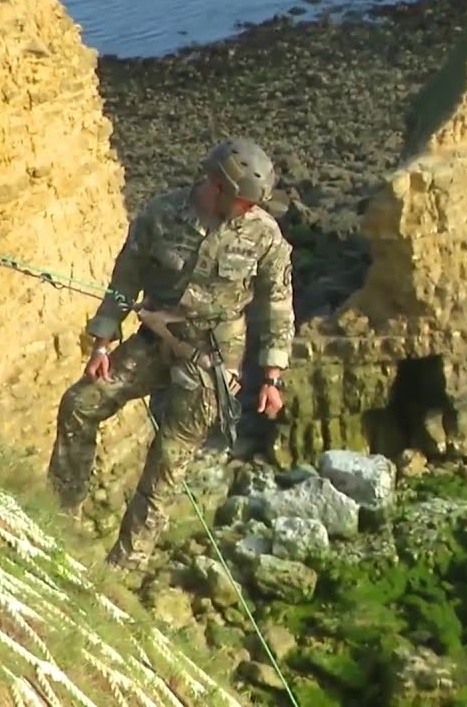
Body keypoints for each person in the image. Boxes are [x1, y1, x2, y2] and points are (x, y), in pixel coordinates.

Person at [47, 137, 296, 573]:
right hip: (154, 340)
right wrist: (103, 341)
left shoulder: (263, 235)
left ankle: (122, 568)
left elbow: (277, 303)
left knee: (167, 463)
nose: (249, 210)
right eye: (243, 202)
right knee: (79, 404)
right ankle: (58, 520)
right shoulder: (162, 215)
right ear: (216, 186)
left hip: (210, 361)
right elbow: (125, 278)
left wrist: (272, 377)